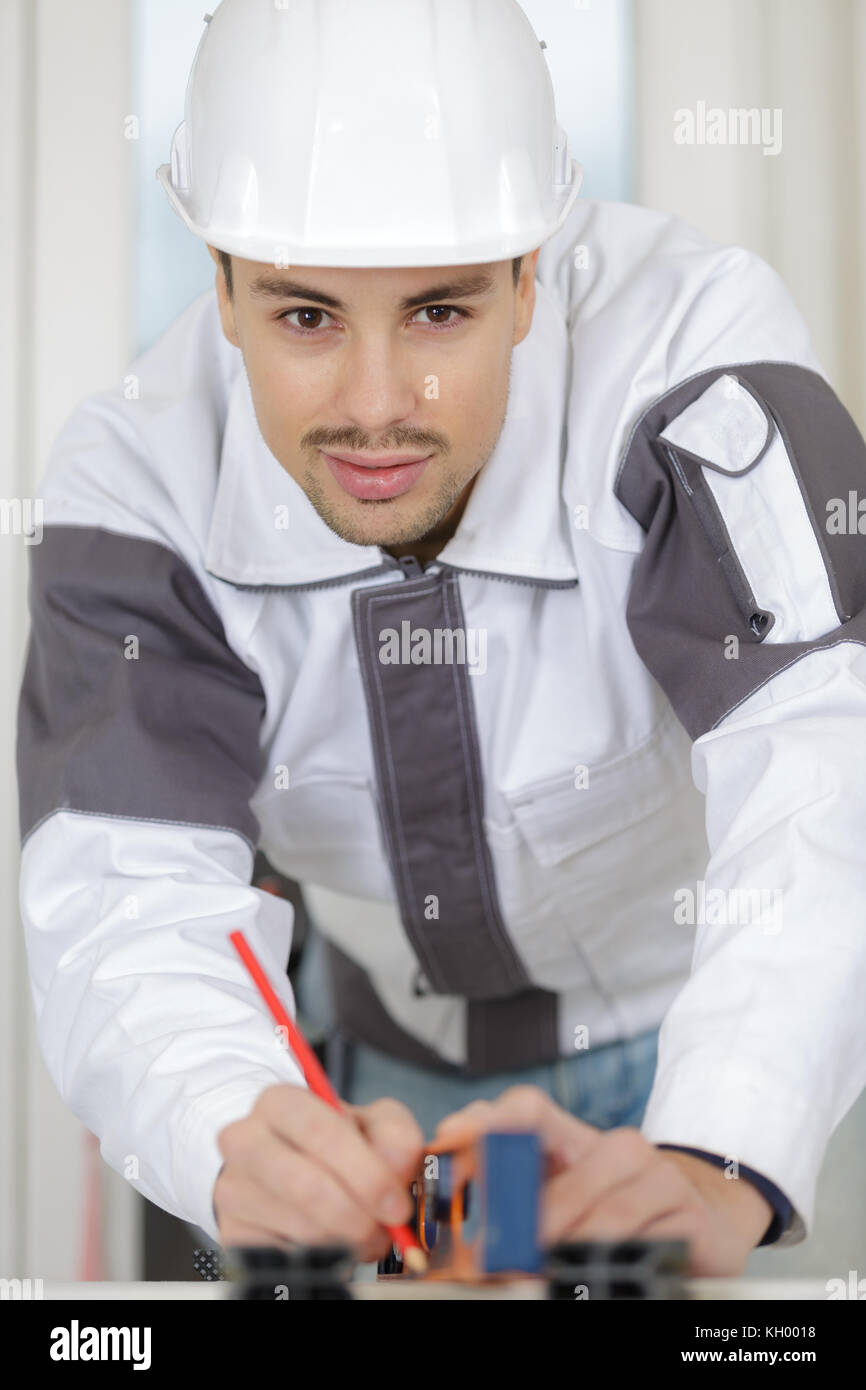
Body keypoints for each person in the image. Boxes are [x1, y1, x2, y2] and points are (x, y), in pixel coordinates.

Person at [18, 0, 866, 1276]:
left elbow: (825, 752)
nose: (374, 409)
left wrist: (724, 1138)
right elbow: (128, 893)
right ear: (225, 286)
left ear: (532, 272)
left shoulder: (698, 366)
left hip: (711, 1049)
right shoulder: (135, 486)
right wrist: (233, 1123)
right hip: (358, 1096)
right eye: (306, 317)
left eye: (439, 313)